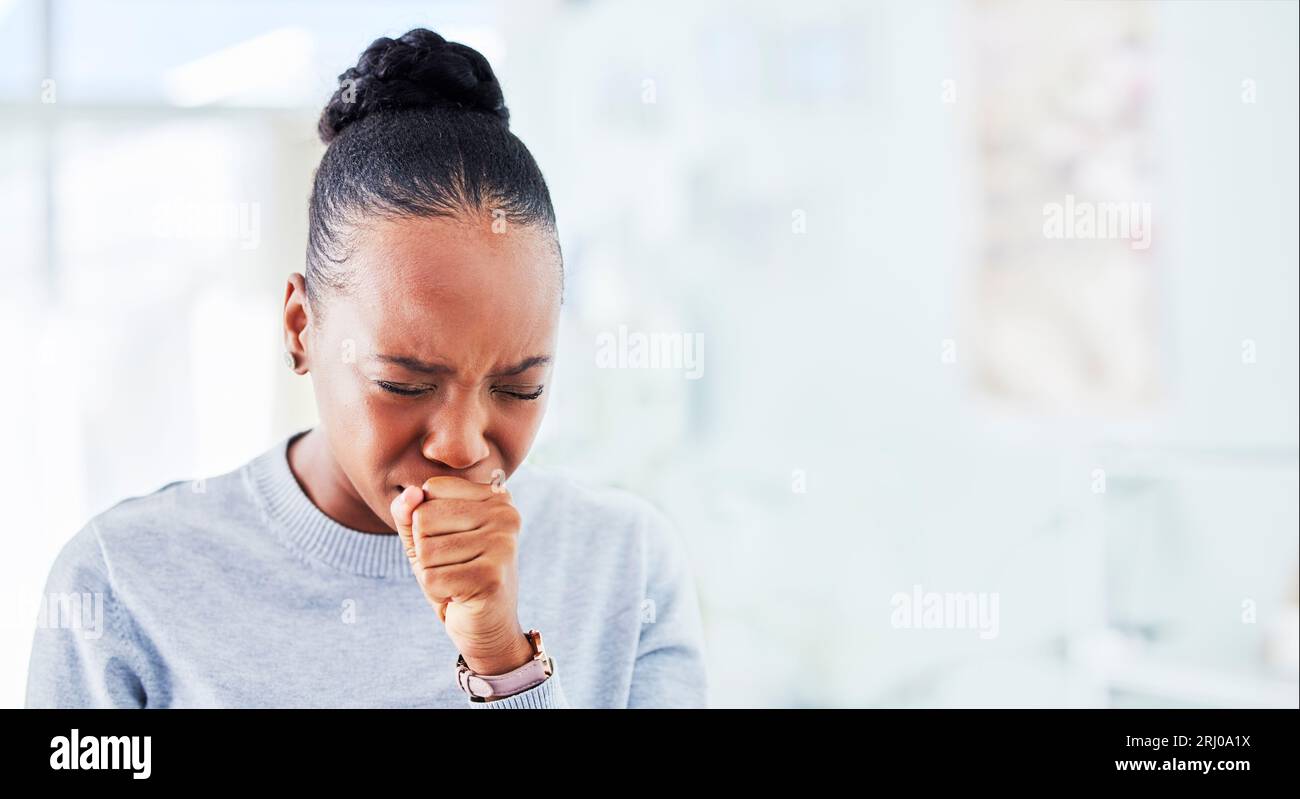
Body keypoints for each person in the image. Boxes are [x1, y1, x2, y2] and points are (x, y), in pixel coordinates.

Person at [25, 27, 708, 708]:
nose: (463, 444)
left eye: (517, 386)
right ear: (300, 327)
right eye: (404, 383)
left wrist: (503, 660)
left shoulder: (626, 567)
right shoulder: (123, 583)